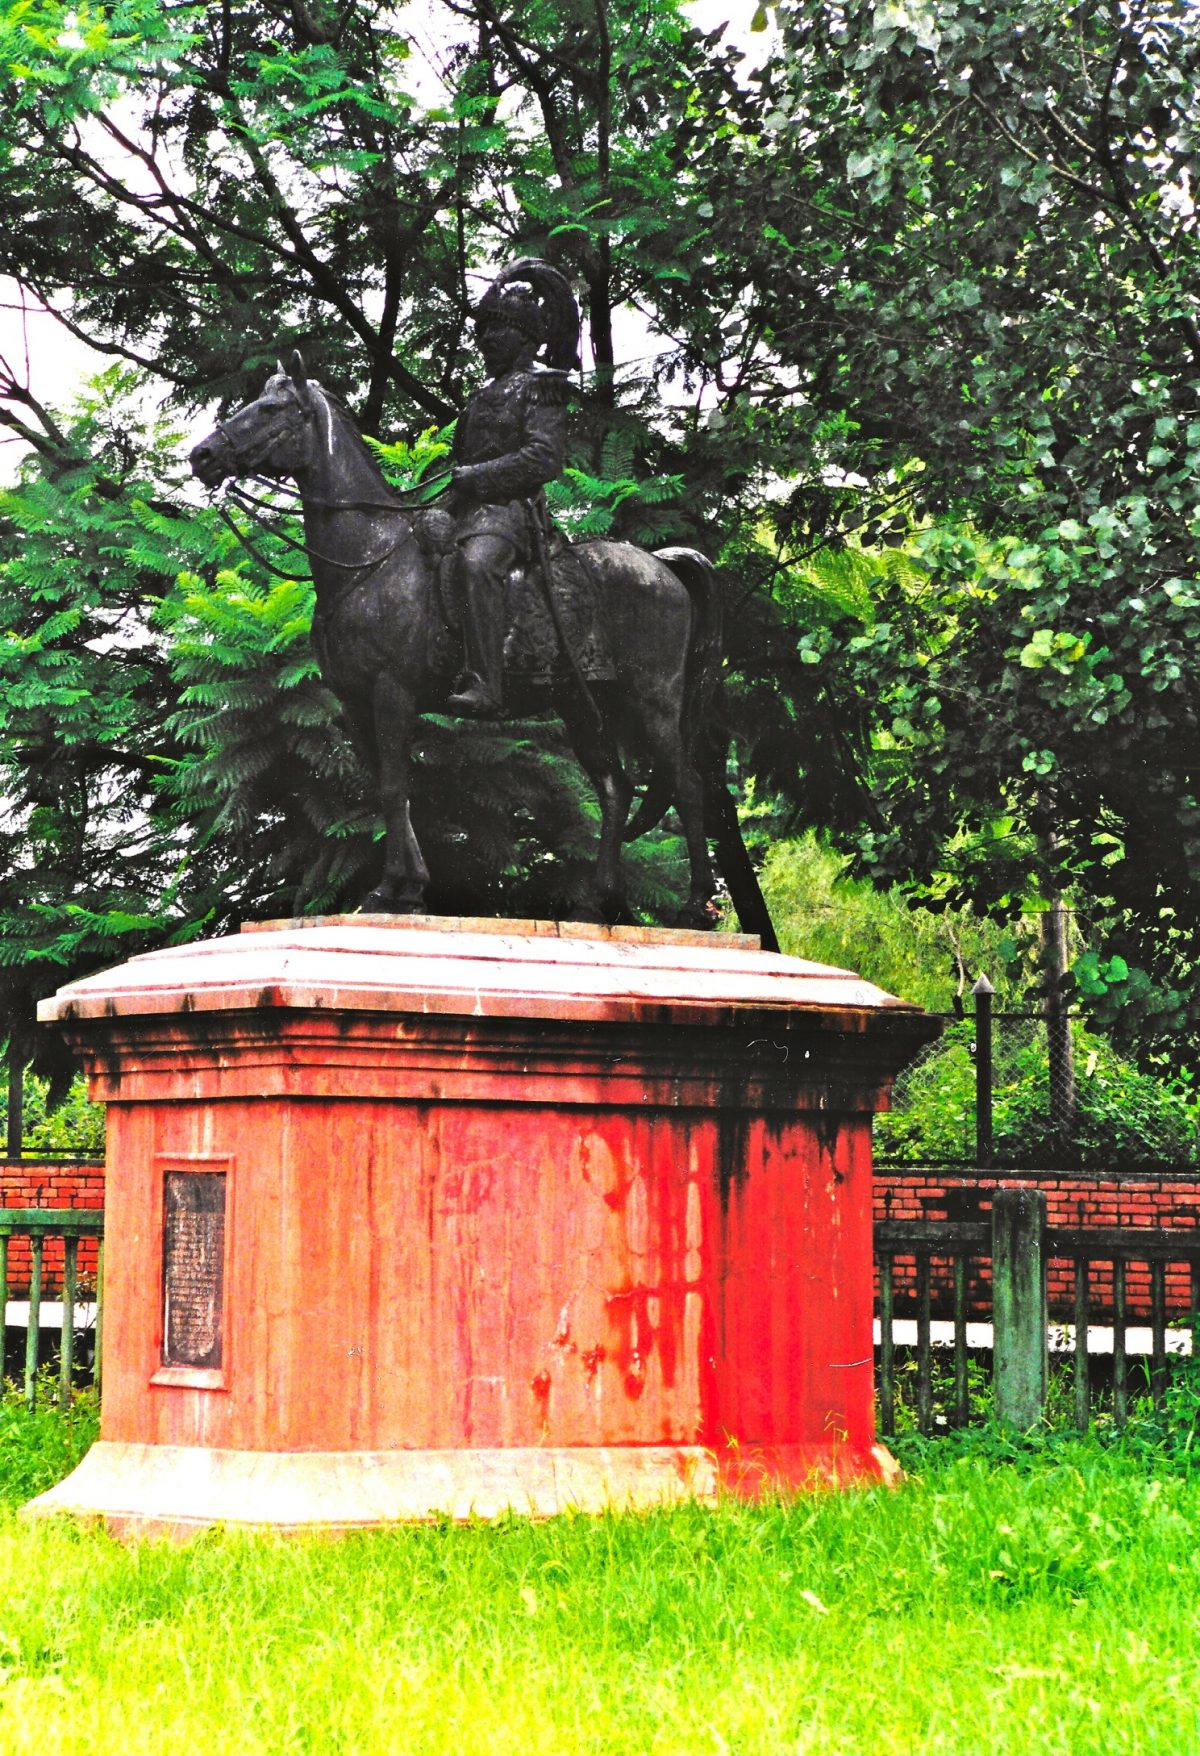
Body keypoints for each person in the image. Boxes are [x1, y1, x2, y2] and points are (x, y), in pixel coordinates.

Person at [445, 266, 576, 717]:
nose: (484, 339)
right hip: (467, 510)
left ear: (524, 336)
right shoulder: (478, 398)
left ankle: (486, 685)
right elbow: (457, 465)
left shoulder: (542, 387)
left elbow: (544, 458)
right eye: (482, 329)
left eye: (496, 328)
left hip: (510, 513)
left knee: (477, 565)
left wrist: (477, 478)